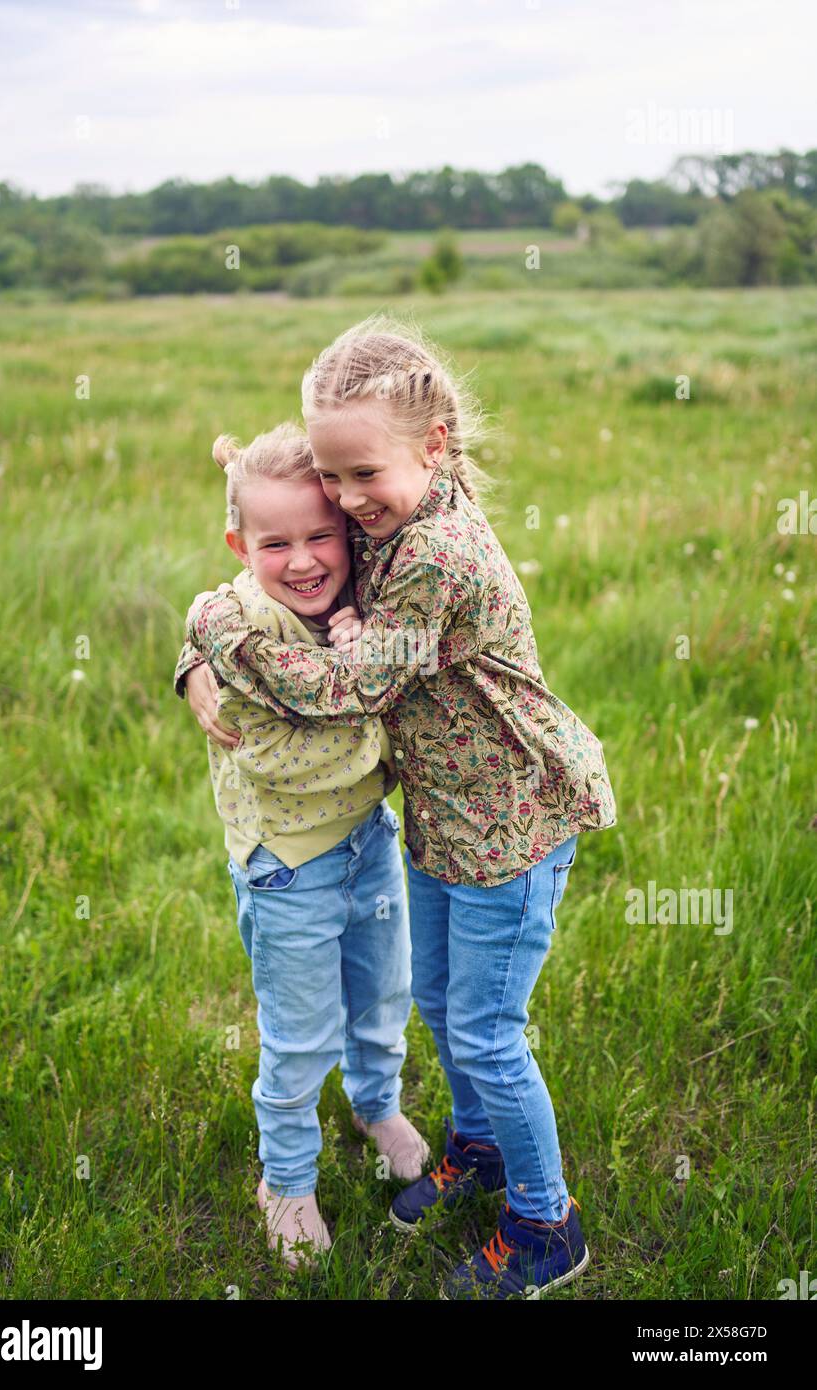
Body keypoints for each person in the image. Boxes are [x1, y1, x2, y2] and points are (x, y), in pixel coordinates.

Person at [183, 315, 617, 1299]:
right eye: (329, 477)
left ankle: (545, 1221)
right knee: (435, 1000)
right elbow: (273, 547)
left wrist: (212, 630)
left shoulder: (433, 553)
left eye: (356, 478)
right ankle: (477, 1148)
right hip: (437, 817)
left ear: (433, 447)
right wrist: (195, 658)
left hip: (512, 815)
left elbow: (342, 689)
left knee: (486, 1028)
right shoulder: (389, 504)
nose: (339, 501)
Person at [175, 421, 429, 1272]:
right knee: (298, 1034)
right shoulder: (239, 626)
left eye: (321, 535)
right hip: (289, 864)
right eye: (275, 542)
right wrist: (377, 718)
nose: (303, 560)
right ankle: (285, 1180)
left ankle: (376, 1102)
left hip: (369, 842)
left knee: (382, 992)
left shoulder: (359, 604)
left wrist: (366, 647)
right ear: (238, 545)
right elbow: (299, 755)